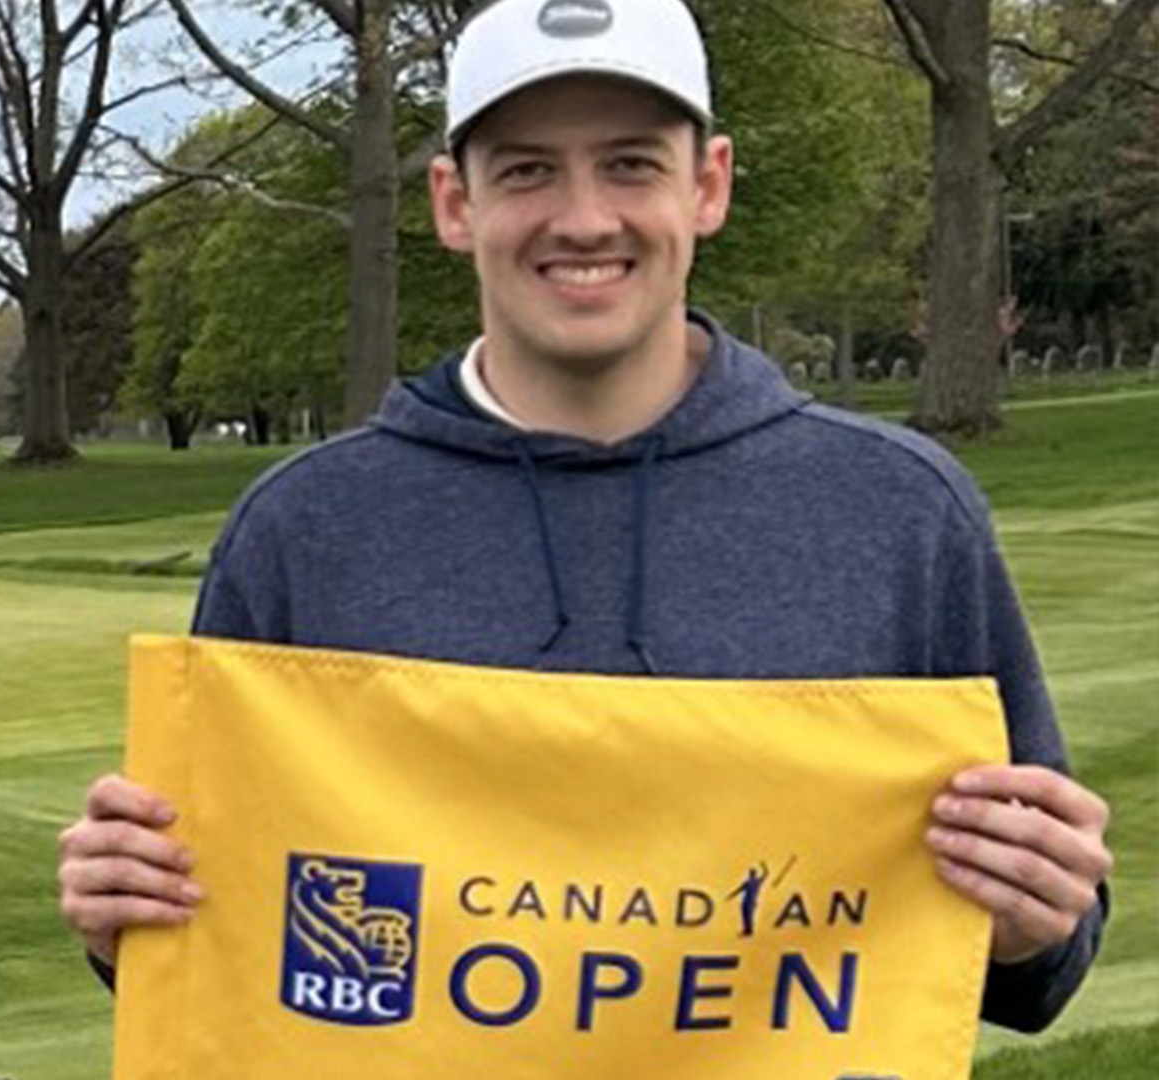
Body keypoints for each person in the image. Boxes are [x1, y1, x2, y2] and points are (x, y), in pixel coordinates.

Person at [56, 0, 1111, 1034]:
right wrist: (130, 921)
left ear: (709, 185)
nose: (584, 218)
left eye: (631, 163)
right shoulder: (305, 526)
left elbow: (1027, 968)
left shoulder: (898, 512)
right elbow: (248, 959)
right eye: (525, 169)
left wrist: (1036, 919)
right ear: (452, 203)